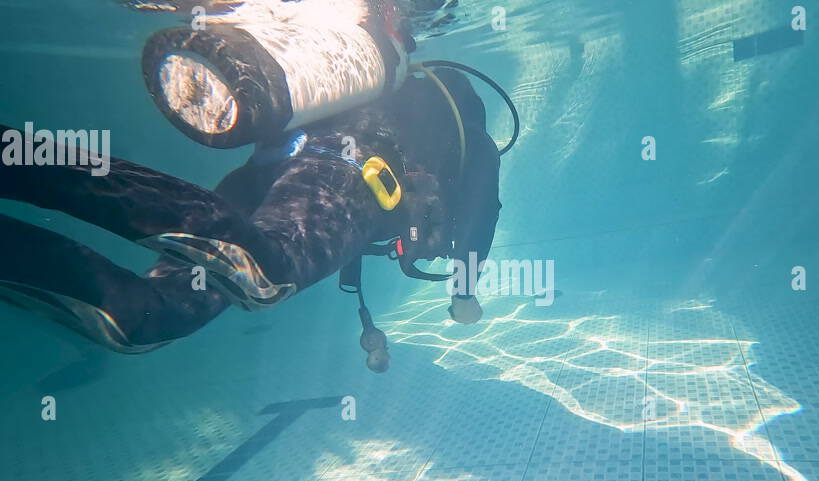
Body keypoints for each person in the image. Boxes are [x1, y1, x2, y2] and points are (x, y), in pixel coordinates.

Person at [0, 57, 510, 371]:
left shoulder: (390, 113)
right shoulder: (473, 149)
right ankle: (19, 157)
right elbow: (481, 221)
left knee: (147, 318)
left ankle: (23, 161)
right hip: (344, 173)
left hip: (269, 175)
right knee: (266, 271)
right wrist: (464, 295)